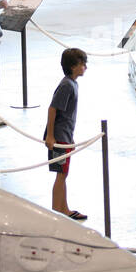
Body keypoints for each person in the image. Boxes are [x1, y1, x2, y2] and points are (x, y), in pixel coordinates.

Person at [45, 47, 88, 221]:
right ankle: (56, 212)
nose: (85, 67)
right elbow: (52, 109)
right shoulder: (66, 86)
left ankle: (64, 209)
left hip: (65, 137)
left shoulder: (72, 84)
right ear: (72, 66)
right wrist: (50, 136)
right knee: (61, 174)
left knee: (63, 174)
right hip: (59, 138)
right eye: (82, 64)